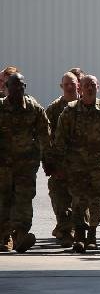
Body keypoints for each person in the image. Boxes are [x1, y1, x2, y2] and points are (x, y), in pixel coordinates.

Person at [53, 75, 100, 252]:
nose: (90, 88)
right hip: (75, 164)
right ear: (80, 88)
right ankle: (79, 235)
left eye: (93, 85)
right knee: (78, 200)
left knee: (95, 201)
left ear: (98, 86)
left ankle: (92, 234)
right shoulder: (70, 111)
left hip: (98, 165)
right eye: (86, 85)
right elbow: (60, 139)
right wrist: (58, 164)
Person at [0, 73, 51, 253]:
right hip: (3, 165)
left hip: (26, 165)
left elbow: (45, 135)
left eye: (22, 85)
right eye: (15, 85)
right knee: (3, 199)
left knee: (23, 199)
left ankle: (20, 235)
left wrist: (47, 160)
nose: (18, 88)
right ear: (7, 87)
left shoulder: (34, 108)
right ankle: (4, 237)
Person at [44, 72, 80, 246]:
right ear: (61, 86)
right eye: (66, 84)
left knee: (81, 199)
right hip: (61, 163)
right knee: (59, 195)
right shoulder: (53, 109)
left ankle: (79, 230)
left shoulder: (87, 105)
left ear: (78, 84)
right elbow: (45, 137)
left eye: (72, 83)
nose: (69, 87)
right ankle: (65, 229)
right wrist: (49, 162)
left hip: (83, 163)